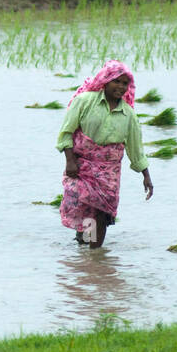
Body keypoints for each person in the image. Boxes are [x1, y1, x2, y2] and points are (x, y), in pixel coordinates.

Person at [56, 59, 154, 248]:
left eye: (125, 83)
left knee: (101, 211)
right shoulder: (84, 101)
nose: (120, 86)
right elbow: (66, 132)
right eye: (116, 81)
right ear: (105, 80)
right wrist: (70, 161)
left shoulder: (129, 115)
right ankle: (85, 244)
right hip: (82, 164)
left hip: (109, 171)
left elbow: (135, 148)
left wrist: (146, 176)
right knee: (85, 205)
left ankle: (95, 257)